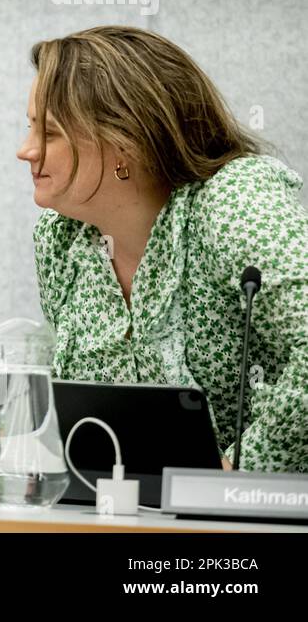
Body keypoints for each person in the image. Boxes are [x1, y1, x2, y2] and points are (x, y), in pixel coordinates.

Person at [16, 25, 308, 473]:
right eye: (31, 128)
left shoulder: (233, 201)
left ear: (124, 142)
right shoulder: (59, 239)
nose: (25, 151)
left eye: (49, 133)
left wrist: (234, 477)